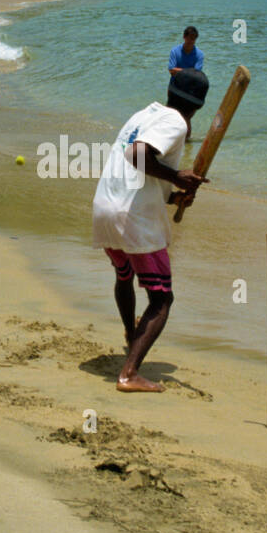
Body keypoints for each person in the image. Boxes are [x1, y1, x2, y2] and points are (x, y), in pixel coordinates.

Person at [92, 69, 210, 392]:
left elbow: (138, 169)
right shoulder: (176, 123)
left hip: (106, 206)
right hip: (133, 218)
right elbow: (137, 155)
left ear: (171, 90)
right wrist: (177, 177)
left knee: (124, 275)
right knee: (161, 299)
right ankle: (128, 374)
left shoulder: (144, 114)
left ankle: (132, 339)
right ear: (198, 107)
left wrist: (173, 194)